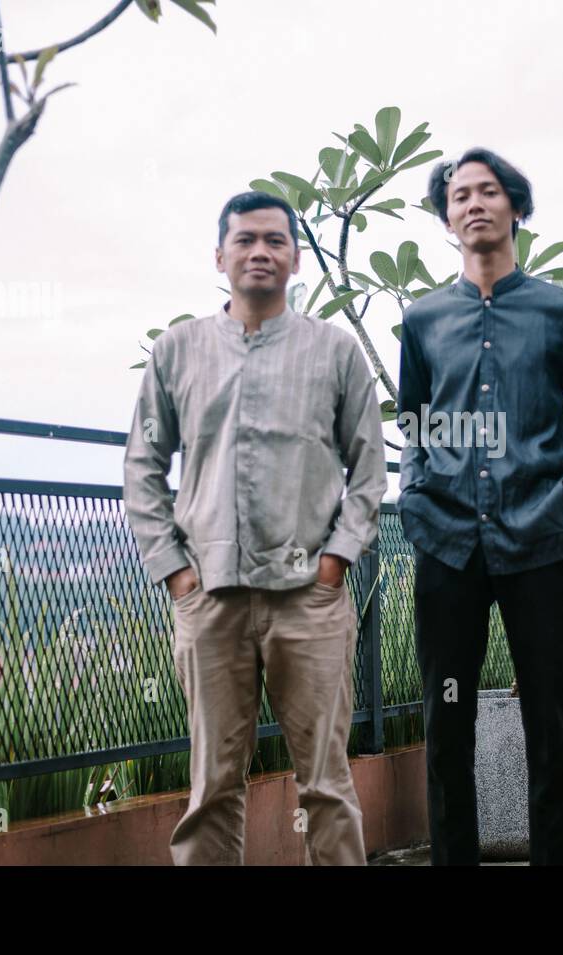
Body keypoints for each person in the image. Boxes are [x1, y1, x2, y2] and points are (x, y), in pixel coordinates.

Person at [123, 190, 386, 865]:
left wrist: (336, 561)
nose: (260, 251)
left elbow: (369, 470)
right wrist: (177, 572)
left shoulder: (335, 351)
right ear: (220, 256)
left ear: (296, 258)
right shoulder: (176, 352)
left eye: (274, 240)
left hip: (311, 599)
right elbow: (143, 468)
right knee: (212, 783)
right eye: (245, 240)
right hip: (208, 599)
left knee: (326, 782)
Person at [397, 148, 563, 865]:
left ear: (516, 208)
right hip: (448, 544)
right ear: (448, 218)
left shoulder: (560, 312)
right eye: (460, 196)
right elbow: (414, 423)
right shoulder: (422, 321)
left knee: (546, 720)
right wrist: (417, 499)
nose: (474, 204)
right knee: (446, 719)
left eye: (489, 192)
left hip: (540, 542)